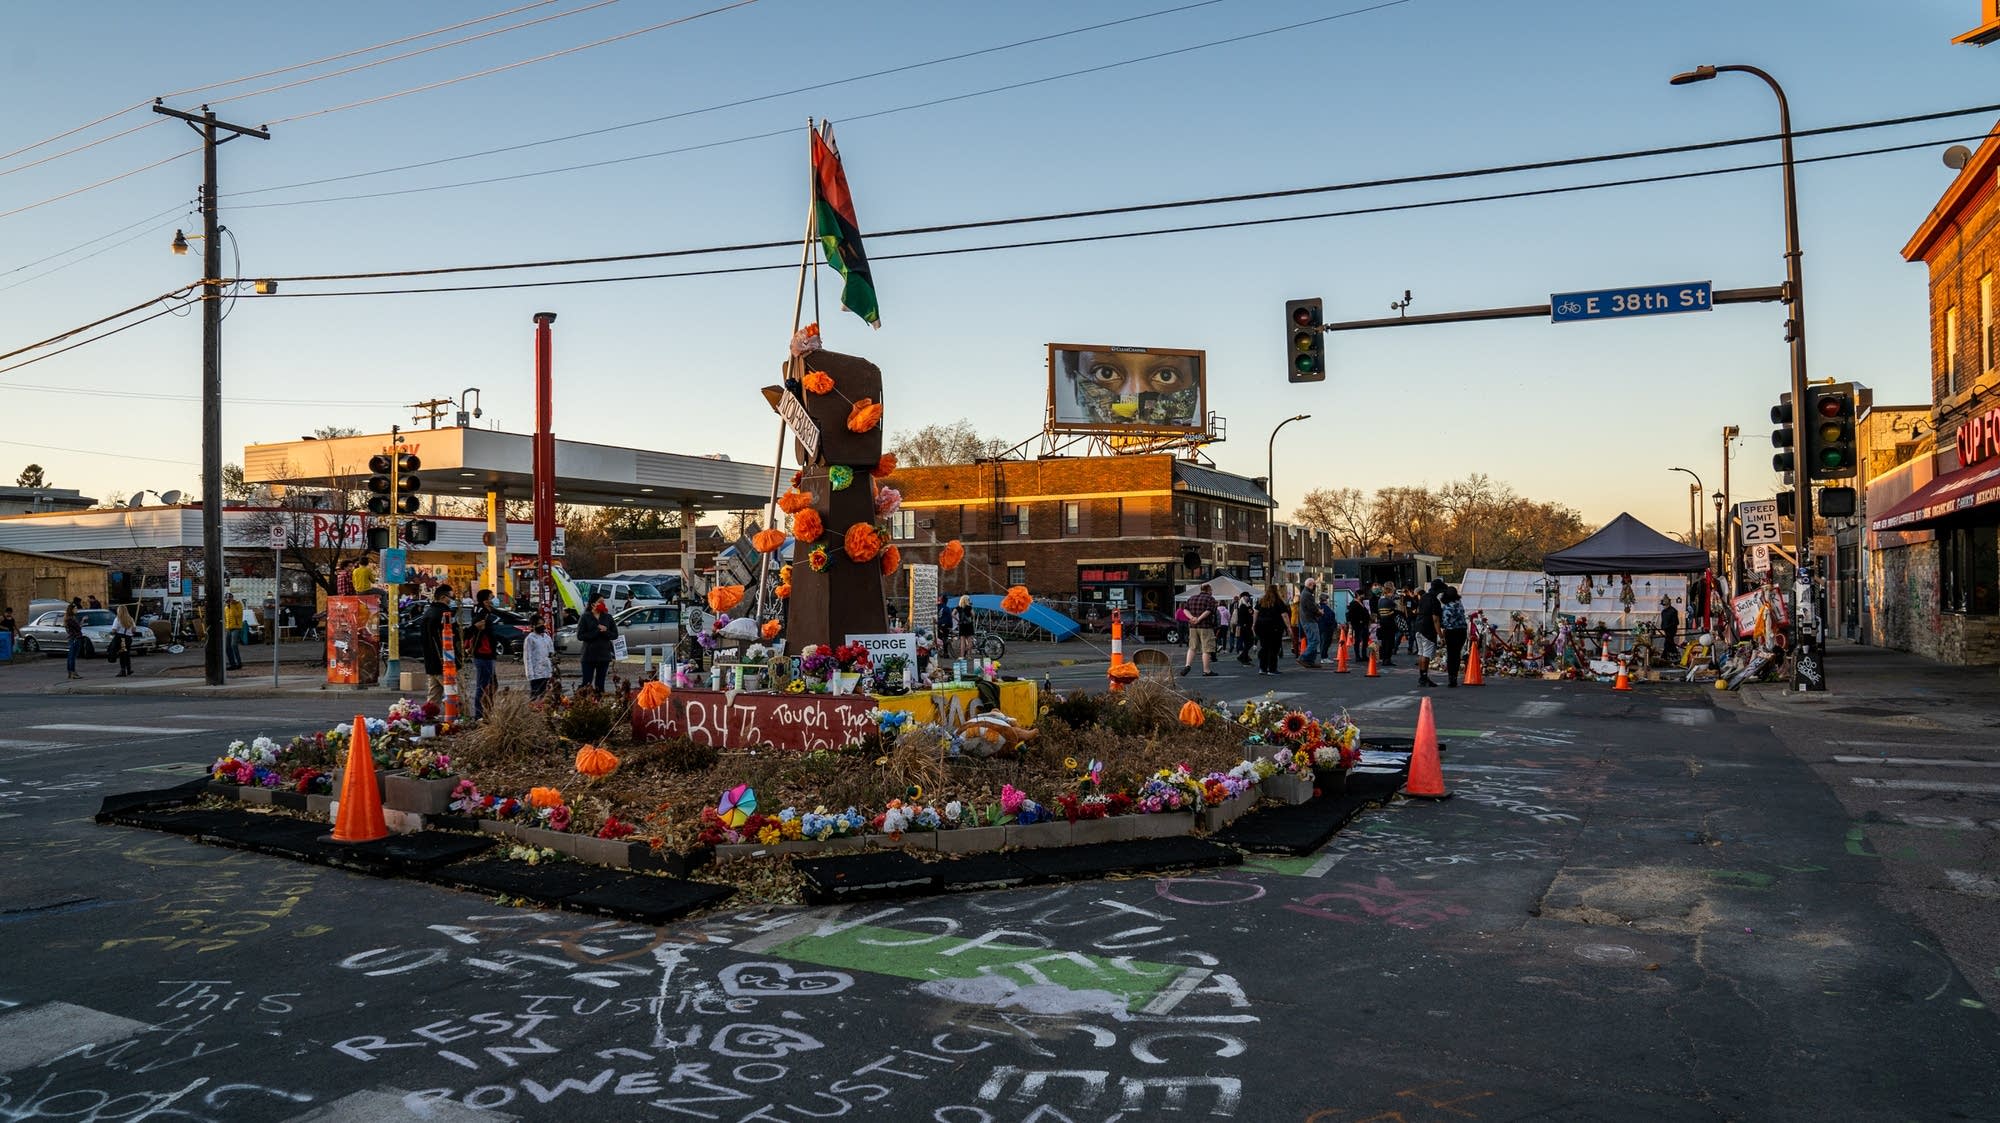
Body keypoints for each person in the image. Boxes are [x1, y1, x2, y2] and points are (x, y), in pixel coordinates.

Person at [469, 588, 499, 719]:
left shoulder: (482, 611)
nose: (494, 601)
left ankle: (487, 711)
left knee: (491, 684)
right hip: (483, 653)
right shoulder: (482, 613)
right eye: (492, 598)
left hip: (487, 653)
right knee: (483, 685)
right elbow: (476, 629)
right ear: (486, 601)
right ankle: (479, 715)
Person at [575, 597, 616, 693]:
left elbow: (614, 634)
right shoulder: (585, 617)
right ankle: (584, 704)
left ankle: (598, 703)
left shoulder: (608, 617)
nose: (603, 604)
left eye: (603, 602)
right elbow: (580, 636)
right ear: (593, 604)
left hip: (604, 656)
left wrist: (605, 631)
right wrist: (596, 631)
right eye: (600, 602)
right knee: (586, 683)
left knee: (600, 684)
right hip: (588, 656)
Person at [420, 586, 453, 705]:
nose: (452, 600)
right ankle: (462, 717)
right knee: (454, 692)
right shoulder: (443, 614)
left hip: (431, 660)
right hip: (443, 660)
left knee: (434, 694)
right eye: (451, 597)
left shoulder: (428, 612)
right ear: (443, 597)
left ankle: (429, 716)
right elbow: (445, 637)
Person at [1179, 583, 1220, 677]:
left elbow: (1185, 610)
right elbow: (1208, 611)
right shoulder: (1210, 599)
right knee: (1206, 649)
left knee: (1192, 647)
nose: (1212, 592)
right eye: (1211, 590)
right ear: (1208, 590)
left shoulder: (1192, 598)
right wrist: (1199, 619)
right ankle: (1206, 670)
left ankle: (1187, 665)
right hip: (1206, 627)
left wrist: (1192, 618)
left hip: (1193, 627)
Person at [1414, 579, 1445, 688]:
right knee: (1426, 654)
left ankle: (1422, 677)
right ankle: (1424, 678)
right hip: (1427, 629)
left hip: (1418, 627)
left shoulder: (1423, 597)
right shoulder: (1434, 601)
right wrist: (1441, 636)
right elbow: (1435, 619)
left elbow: (1418, 611)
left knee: (1421, 653)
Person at [1253, 586, 1288, 676]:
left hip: (1261, 626)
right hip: (1274, 627)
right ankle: (1272, 669)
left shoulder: (1261, 601)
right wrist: (1288, 627)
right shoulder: (1278, 602)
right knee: (1274, 648)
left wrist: (1254, 624)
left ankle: (1262, 668)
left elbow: (1255, 612)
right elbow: (1284, 615)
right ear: (1276, 591)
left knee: (1264, 647)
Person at [1439, 586, 1469, 687]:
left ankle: (1451, 678)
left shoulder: (1447, 607)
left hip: (1451, 632)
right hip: (1462, 631)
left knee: (1451, 654)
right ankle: (1455, 676)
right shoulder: (1459, 604)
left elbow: (1445, 622)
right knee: (1457, 654)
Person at [523, 617, 556, 700]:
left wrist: (553, 667)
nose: (541, 626)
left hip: (547, 671)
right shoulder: (530, 639)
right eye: (539, 624)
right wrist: (530, 673)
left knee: (546, 695)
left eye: (542, 623)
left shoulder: (547, 637)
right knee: (535, 695)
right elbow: (527, 657)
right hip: (535, 672)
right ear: (533, 626)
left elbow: (551, 652)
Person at [1373, 584, 1400, 667]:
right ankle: (1387, 660)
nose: (1392, 594)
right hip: (1390, 624)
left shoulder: (1380, 601)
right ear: (1389, 592)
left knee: (1384, 643)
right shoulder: (1389, 601)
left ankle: (1384, 659)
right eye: (1392, 592)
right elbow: (1397, 609)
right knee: (1390, 643)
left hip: (1383, 624)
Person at [111, 606, 140, 677]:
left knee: (122, 654)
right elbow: (134, 629)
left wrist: (113, 632)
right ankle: (129, 669)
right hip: (128, 638)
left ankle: (123, 670)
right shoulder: (130, 619)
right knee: (127, 654)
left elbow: (114, 630)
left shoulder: (118, 619)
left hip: (121, 638)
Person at [1345, 592, 1372, 664]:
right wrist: (1352, 624)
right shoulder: (1353, 603)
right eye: (1362, 595)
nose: (1363, 596)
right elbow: (1350, 615)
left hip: (1364, 624)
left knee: (1365, 640)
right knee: (1358, 640)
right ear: (1358, 595)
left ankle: (1364, 655)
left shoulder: (1362, 603)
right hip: (1358, 625)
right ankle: (1357, 656)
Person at [223, 593, 244, 671]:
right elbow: (226, 618)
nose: (228, 600)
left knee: (234, 645)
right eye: (227, 599)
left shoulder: (238, 604)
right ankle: (232, 664)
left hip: (236, 627)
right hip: (228, 628)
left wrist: (231, 605)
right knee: (227, 647)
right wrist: (225, 627)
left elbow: (237, 615)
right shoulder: (225, 607)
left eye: (229, 598)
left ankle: (239, 663)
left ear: (232, 598)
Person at [63, 602, 84, 679]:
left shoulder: (70, 618)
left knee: (71, 656)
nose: (77, 610)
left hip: (73, 638)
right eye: (75, 608)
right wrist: (82, 622)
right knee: (72, 656)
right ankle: (72, 672)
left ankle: (70, 672)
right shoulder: (70, 619)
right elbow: (78, 628)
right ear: (71, 610)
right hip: (75, 638)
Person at [1233, 593, 1254, 665]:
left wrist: (1249, 606)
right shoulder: (1242, 606)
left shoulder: (1247, 605)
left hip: (1247, 626)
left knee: (1248, 642)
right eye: (1248, 597)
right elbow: (1245, 616)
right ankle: (1243, 657)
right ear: (1244, 597)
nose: (1249, 598)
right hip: (1244, 627)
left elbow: (1252, 612)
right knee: (1249, 642)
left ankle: (1244, 657)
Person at [953, 595, 976, 660]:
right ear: (966, 600)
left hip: (961, 625)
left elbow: (952, 614)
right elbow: (973, 615)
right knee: (970, 641)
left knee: (962, 642)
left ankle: (962, 656)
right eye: (968, 600)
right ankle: (969, 656)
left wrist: (958, 620)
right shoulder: (969, 607)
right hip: (969, 625)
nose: (969, 601)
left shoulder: (958, 607)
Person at [1659, 595, 1681, 659]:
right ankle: (1674, 656)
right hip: (1666, 630)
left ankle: (1664, 656)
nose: (1664, 606)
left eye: (1665, 605)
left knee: (1668, 643)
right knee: (1670, 643)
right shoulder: (1663, 612)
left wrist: (1668, 626)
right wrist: (1662, 626)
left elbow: (1676, 622)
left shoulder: (1673, 611)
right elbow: (1663, 620)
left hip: (1671, 630)